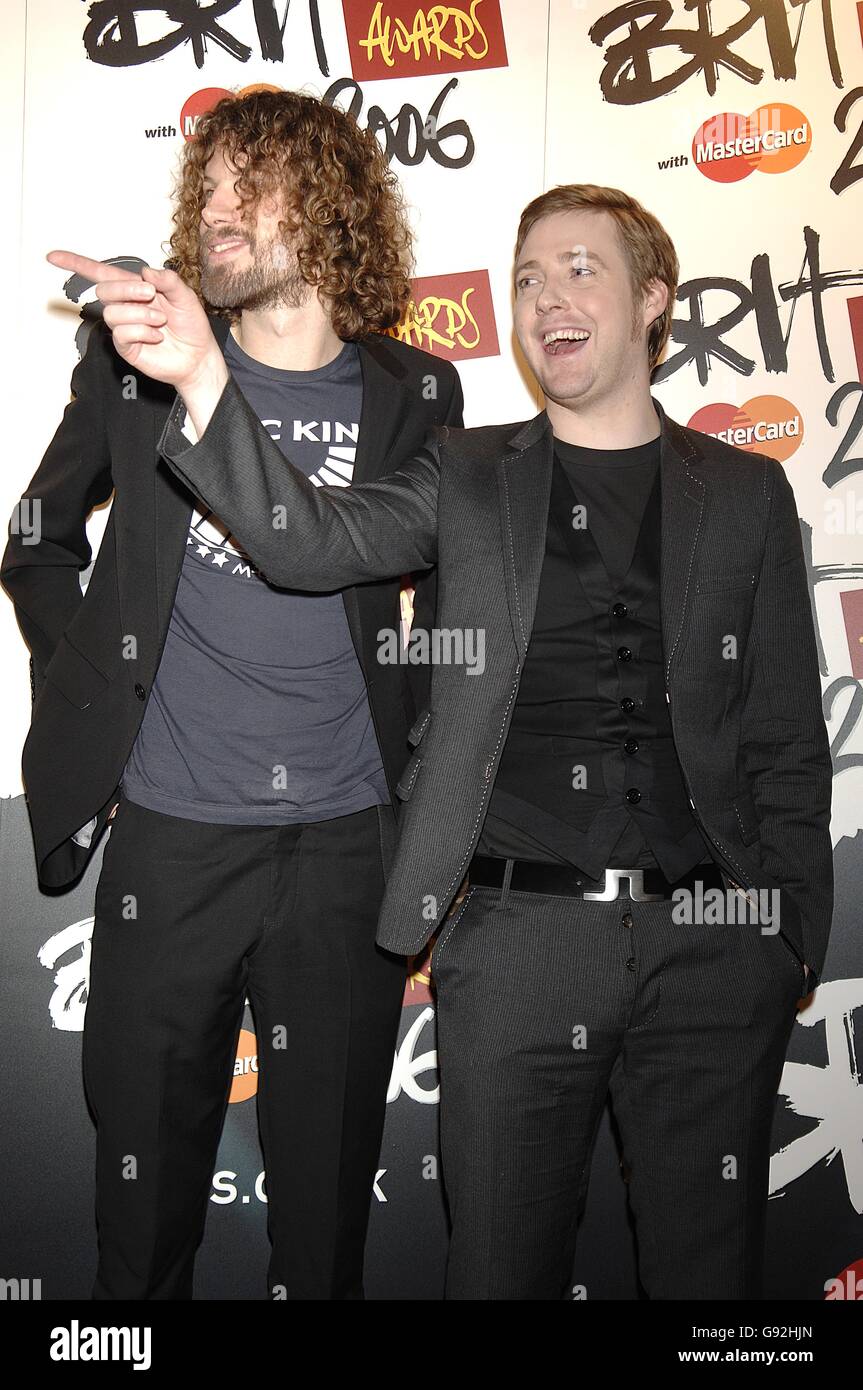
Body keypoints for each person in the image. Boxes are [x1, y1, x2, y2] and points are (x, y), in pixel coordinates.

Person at [58, 183, 832, 1300]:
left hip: (715, 950)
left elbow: (782, 736)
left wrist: (788, 937)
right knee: (496, 1276)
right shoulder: (469, 475)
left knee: (710, 1282)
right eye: (523, 278)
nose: (542, 297)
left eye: (577, 269)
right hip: (516, 939)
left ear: (651, 299)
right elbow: (309, 542)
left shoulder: (748, 495)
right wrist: (201, 376)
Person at [1, 89, 463, 1300]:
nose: (212, 209)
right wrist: (93, 677)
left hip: (348, 850)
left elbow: (431, 592)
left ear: (327, 210)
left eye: (246, 183)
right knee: (140, 1218)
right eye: (203, 185)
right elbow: (37, 538)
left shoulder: (417, 394)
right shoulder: (136, 365)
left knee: (325, 1223)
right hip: (175, 836)